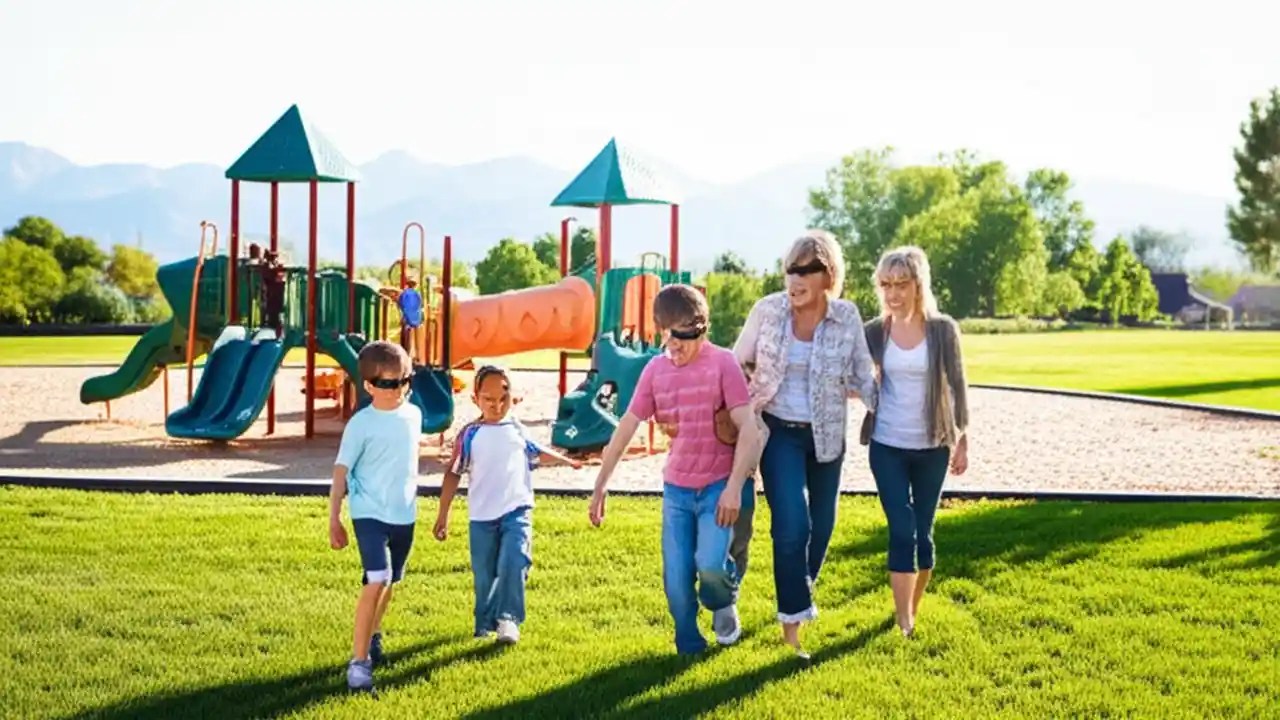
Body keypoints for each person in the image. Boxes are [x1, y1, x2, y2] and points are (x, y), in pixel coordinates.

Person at [589, 284, 761, 655]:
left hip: (717, 484)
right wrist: (601, 483)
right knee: (677, 581)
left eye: (687, 334)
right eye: (670, 335)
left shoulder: (723, 363)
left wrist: (733, 488)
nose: (677, 345)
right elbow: (627, 426)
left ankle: (722, 600)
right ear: (660, 331)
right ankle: (689, 646)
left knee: (711, 564)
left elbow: (748, 428)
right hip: (678, 491)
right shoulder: (655, 370)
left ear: (703, 328)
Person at [731, 229, 878, 658]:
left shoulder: (846, 317)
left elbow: (862, 376)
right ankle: (793, 621)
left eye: (805, 271)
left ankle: (801, 584)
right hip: (778, 432)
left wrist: (893, 406)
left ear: (827, 276)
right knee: (792, 525)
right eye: (790, 270)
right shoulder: (768, 310)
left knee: (822, 527)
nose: (794, 280)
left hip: (828, 435)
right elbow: (736, 363)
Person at [862, 245, 970, 638]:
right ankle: (903, 617)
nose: (892, 293)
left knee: (923, 532)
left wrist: (963, 439)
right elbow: (852, 373)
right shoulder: (876, 331)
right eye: (885, 284)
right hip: (887, 444)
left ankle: (912, 606)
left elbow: (958, 385)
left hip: (934, 446)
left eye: (901, 284)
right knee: (902, 528)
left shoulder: (943, 330)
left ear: (918, 284)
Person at [434, 365, 582, 645]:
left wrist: (568, 460)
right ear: (475, 398)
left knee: (514, 561)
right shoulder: (469, 434)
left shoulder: (516, 428)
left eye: (503, 398)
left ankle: (509, 619)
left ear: (513, 397)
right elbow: (453, 473)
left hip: (517, 510)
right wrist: (444, 514)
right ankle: (485, 623)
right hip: (482, 516)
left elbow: (536, 452)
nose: (497, 405)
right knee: (485, 573)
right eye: (488, 399)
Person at [328, 340, 423, 693]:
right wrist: (334, 518)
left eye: (403, 380)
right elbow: (341, 472)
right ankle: (359, 664)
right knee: (377, 578)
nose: (397, 389)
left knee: (391, 582)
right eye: (388, 383)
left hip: (404, 514)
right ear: (368, 386)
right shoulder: (360, 424)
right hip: (369, 513)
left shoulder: (413, 415)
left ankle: (374, 636)